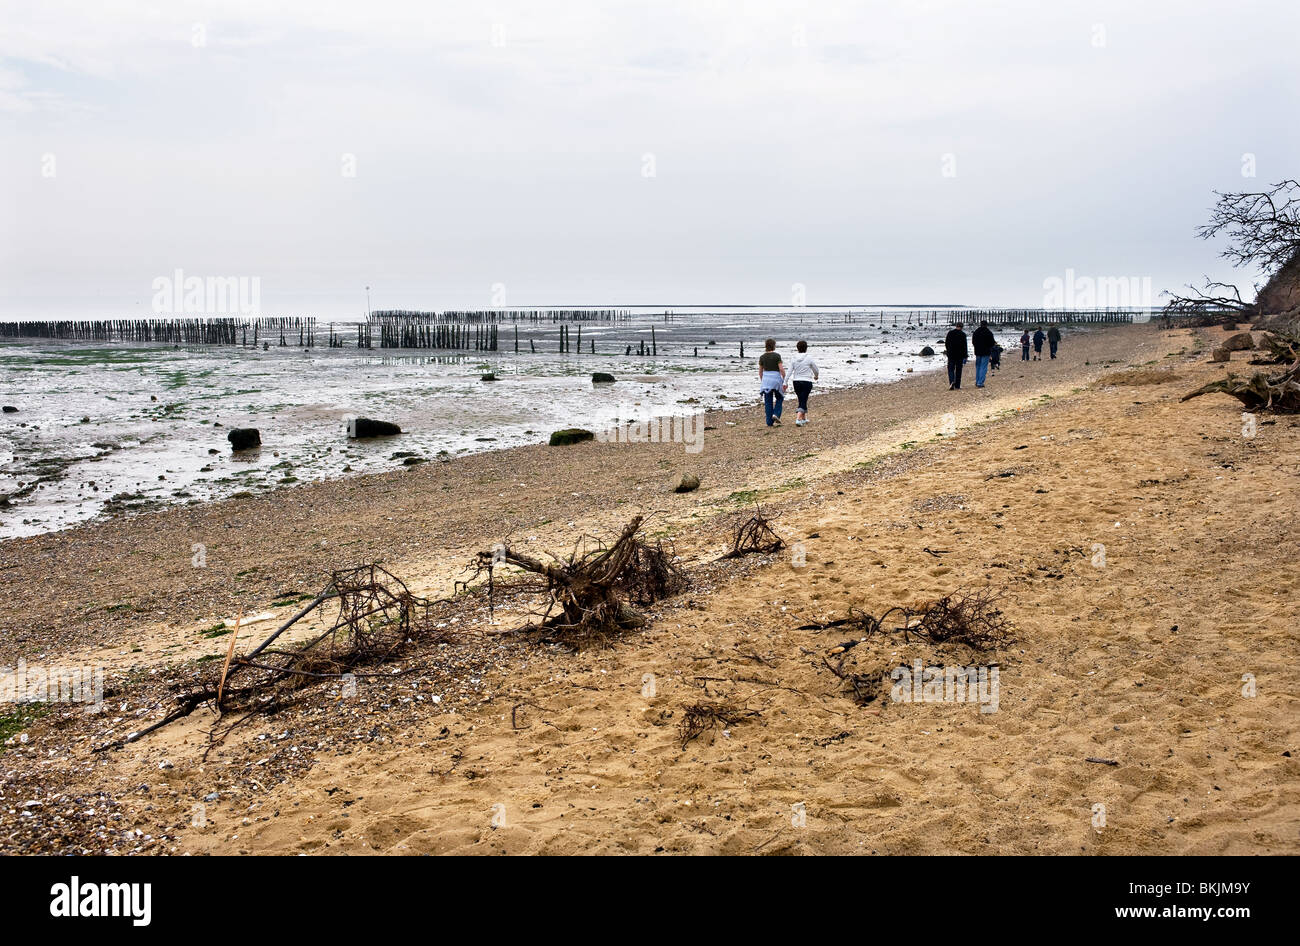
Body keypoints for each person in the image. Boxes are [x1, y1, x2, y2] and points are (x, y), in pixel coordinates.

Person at [788, 339, 819, 426]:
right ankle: (798, 418)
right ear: (806, 348)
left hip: (796, 381)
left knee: (801, 399)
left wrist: (785, 381)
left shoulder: (793, 358)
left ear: (797, 348)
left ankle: (803, 418)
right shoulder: (809, 357)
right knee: (803, 399)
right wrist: (816, 376)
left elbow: (790, 371)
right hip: (806, 381)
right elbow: (815, 369)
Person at [757, 338, 786, 426]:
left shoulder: (762, 357)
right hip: (776, 379)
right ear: (774, 345)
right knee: (780, 397)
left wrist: (763, 380)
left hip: (766, 380)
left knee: (768, 401)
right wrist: (784, 378)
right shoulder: (777, 356)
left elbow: (760, 372)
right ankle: (776, 414)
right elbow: (781, 369)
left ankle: (769, 422)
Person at [972, 319, 996, 388]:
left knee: (978, 366)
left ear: (980, 324)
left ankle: (977, 381)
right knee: (983, 367)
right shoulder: (989, 332)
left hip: (977, 351)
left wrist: (976, 347)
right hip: (986, 352)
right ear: (986, 325)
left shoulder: (976, 332)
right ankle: (980, 382)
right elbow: (992, 343)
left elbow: (973, 342)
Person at [944, 322, 968, 390]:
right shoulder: (963, 334)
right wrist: (965, 355)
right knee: (958, 370)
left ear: (956, 326)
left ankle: (951, 382)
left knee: (951, 369)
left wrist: (948, 351)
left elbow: (946, 343)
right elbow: (964, 346)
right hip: (960, 355)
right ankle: (957, 385)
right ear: (962, 327)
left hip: (951, 354)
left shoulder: (950, 333)